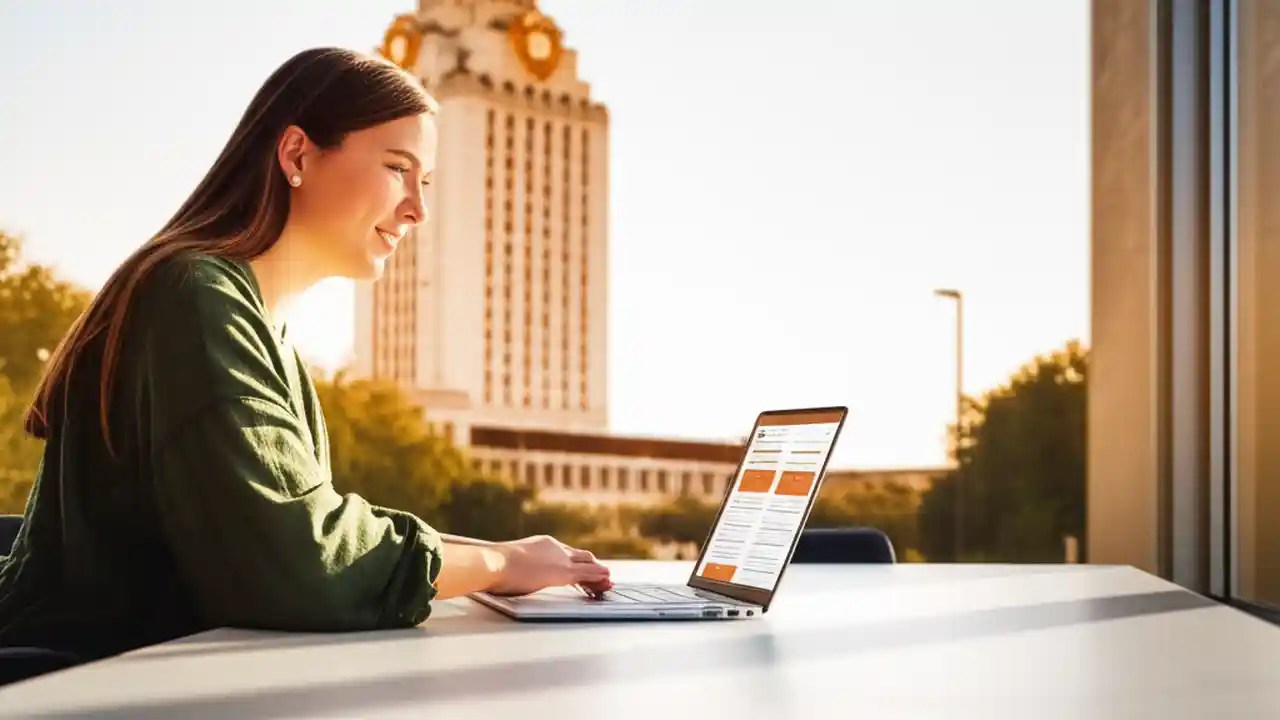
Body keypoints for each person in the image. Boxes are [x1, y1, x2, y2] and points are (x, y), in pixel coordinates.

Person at [0, 47, 611, 663]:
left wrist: (507, 554)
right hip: (79, 683)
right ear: (296, 154)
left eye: (423, 182)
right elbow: (301, 560)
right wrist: (499, 564)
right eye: (398, 168)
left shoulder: (252, 317)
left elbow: (299, 515)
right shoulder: (197, 299)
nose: (417, 209)